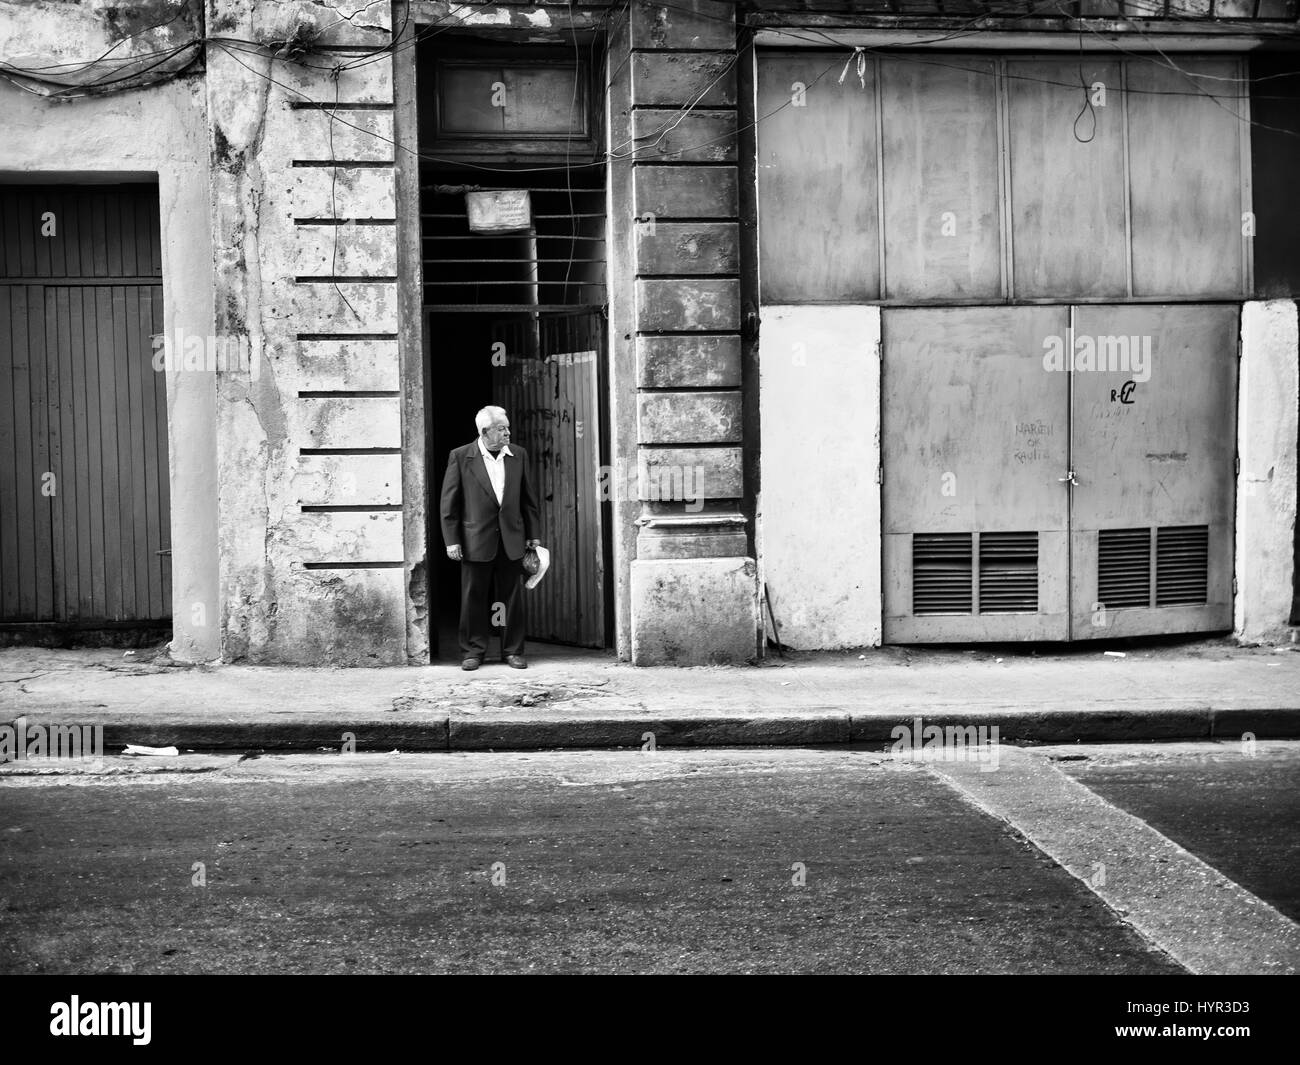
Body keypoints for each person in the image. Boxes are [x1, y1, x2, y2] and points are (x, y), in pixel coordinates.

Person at [440, 405, 543, 670]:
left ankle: (513, 651)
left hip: (512, 539)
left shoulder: (518, 455)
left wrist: (533, 534)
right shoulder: (461, 456)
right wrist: (452, 540)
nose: (508, 432)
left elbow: (528, 499)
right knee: (474, 597)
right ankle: (473, 652)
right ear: (485, 432)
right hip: (475, 540)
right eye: (501, 428)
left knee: (513, 598)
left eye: (507, 427)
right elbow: (449, 503)